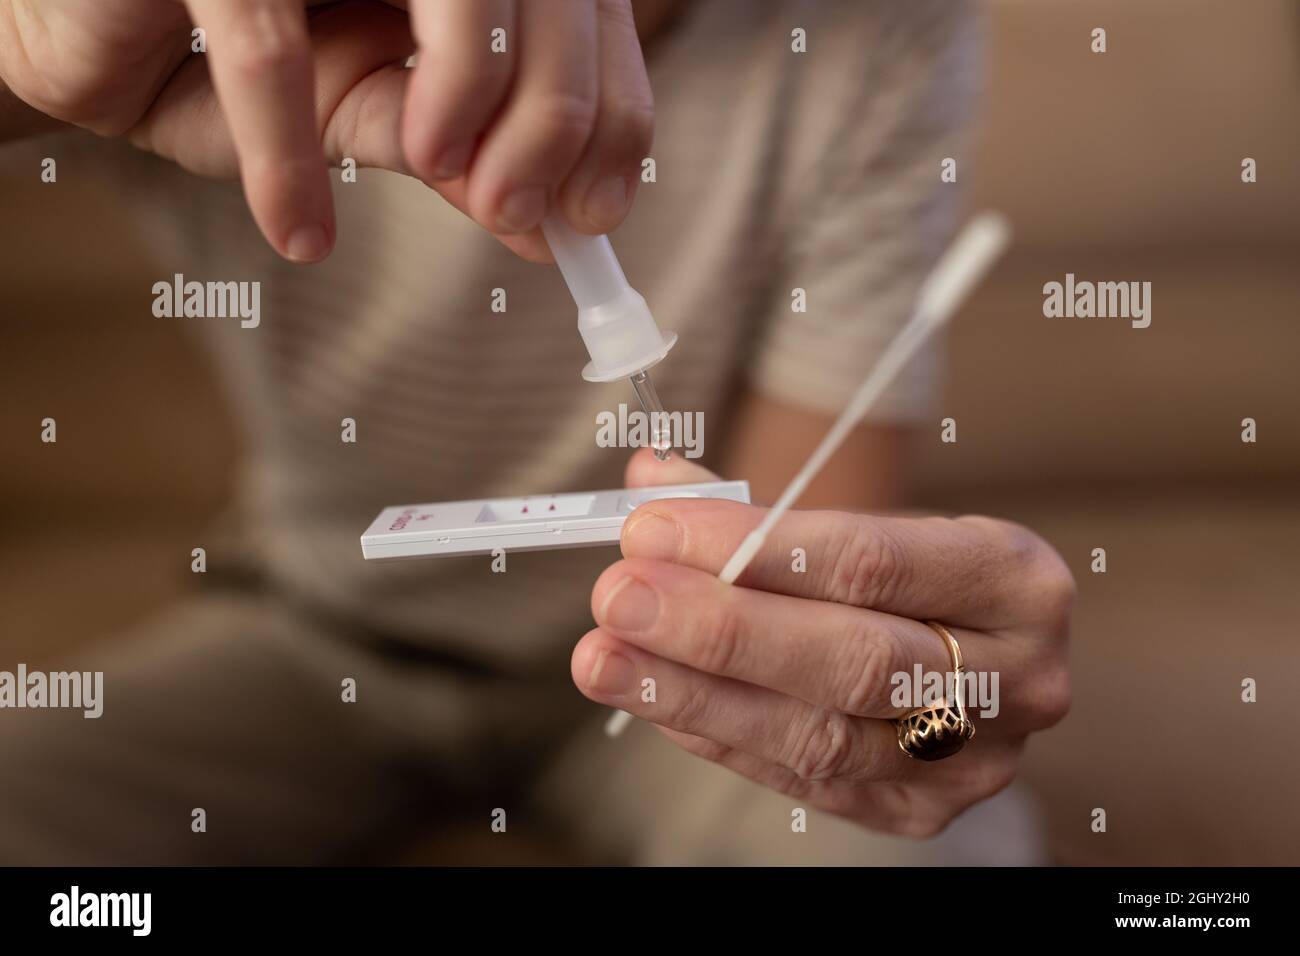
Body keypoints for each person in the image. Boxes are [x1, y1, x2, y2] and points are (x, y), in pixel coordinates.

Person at [0, 0, 1072, 864]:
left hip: (671, 692)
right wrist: (31, 51)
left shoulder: (875, 28)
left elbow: (804, 596)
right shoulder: (246, 31)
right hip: (308, 634)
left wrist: (920, 705)